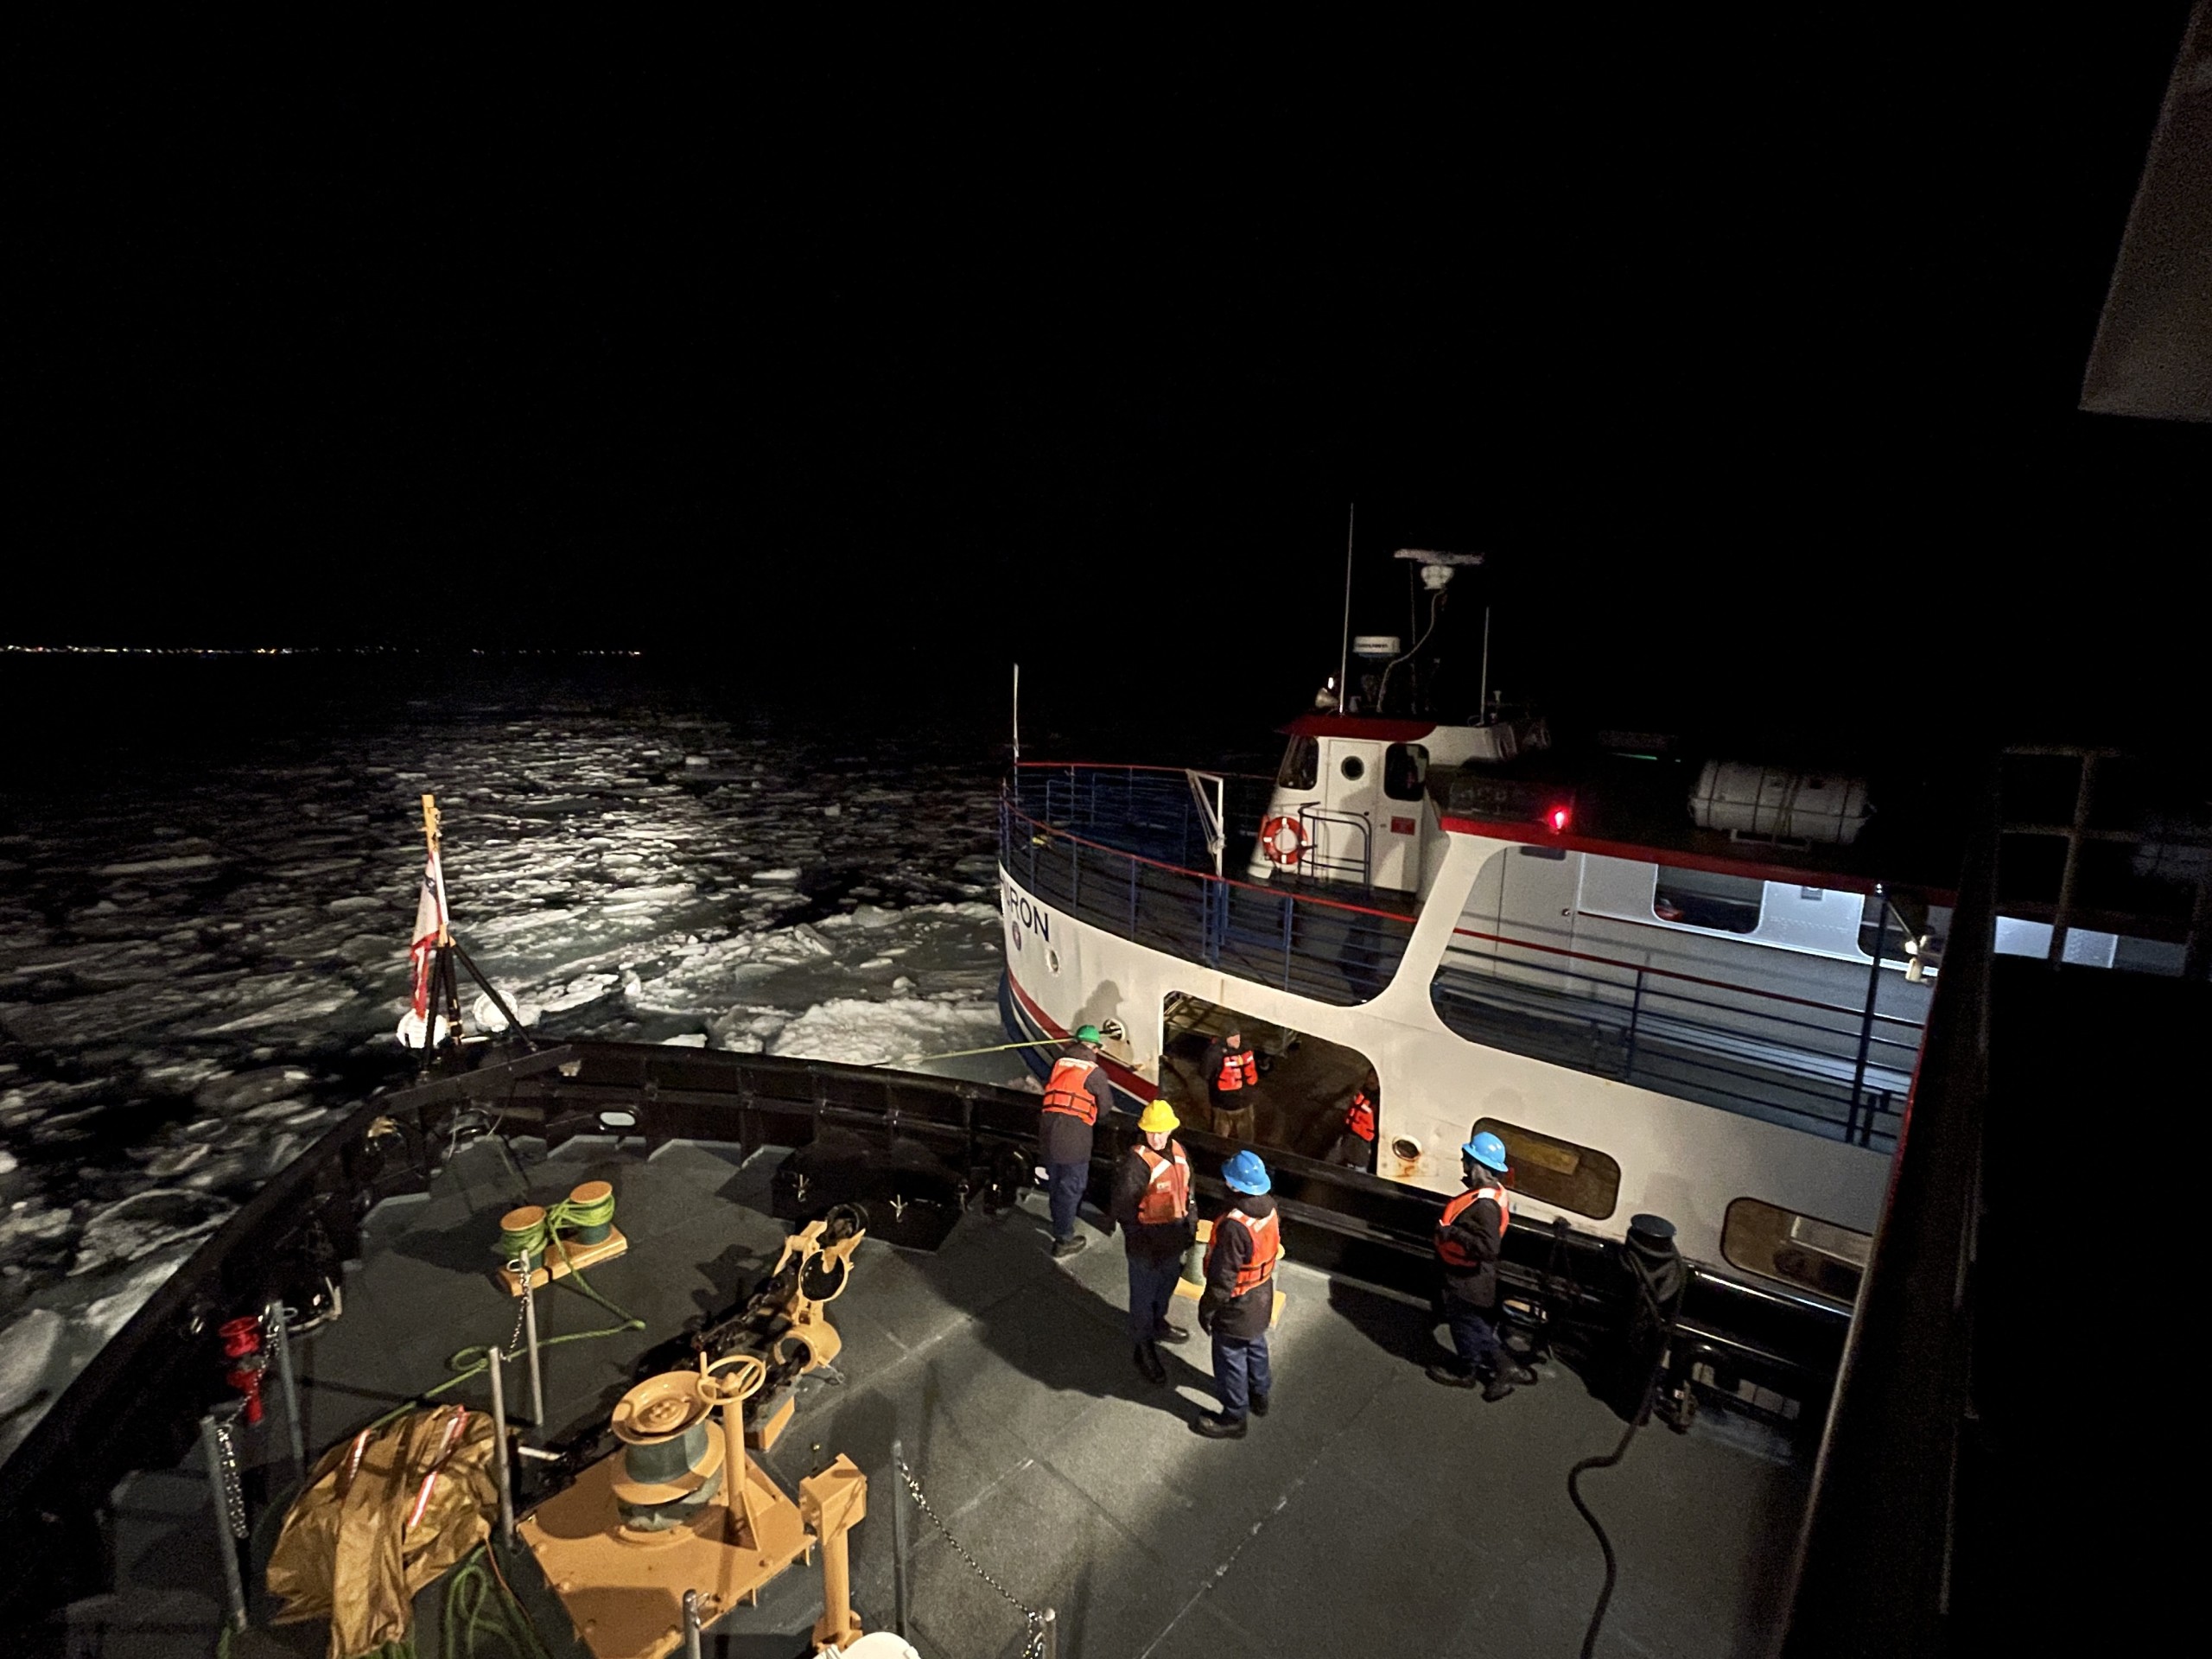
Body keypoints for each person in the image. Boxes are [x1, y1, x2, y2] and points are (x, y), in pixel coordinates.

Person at [1427, 1130, 1538, 1400]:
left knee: (1467, 1328)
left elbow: (1488, 1249)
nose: (1463, 1163)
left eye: (1466, 1159)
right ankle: (1503, 1367)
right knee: (1474, 1326)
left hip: (1468, 1280)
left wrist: (1452, 1233)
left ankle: (1469, 1373)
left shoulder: (1485, 1207)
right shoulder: (1493, 1193)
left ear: (1477, 1165)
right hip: (1474, 1278)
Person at [1194, 1150, 1279, 1439]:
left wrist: (1207, 1308)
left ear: (1235, 1185)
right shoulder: (1270, 1209)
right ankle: (1259, 1395)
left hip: (1237, 1304)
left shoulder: (1235, 1226)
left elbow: (1223, 1278)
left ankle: (1234, 1416)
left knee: (1230, 1358)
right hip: (1262, 1294)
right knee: (1255, 1345)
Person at [1112, 1099, 1198, 1384]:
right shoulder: (1137, 1163)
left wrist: (1190, 1228)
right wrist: (1139, 1242)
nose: (1156, 1138)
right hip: (1146, 1248)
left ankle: (1158, 1323)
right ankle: (1143, 1346)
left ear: (1171, 1130)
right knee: (1143, 1298)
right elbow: (1124, 1208)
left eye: (1161, 1132)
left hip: (1173, 1241)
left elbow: (1189, 1194)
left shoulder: (1180, 1153)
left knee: (1165, 1288)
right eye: (1151, 1132)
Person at [1039, 1024, 1109, 1259]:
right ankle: (1064, 1239)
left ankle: (1059, 1222)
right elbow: (1106, 1107)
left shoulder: (1059, 1063)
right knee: (1071, 1187)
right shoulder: (1095, 1073)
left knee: (1055, 1182)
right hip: (1074, 1138)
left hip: (1048, 1132)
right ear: (1094, 1048)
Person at [1201, 1027, 1260, 1141]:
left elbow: (1205, 1073)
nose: (1236, 1040)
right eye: (1232, 1037)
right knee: (1220, 1137)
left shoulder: (1245, 1048)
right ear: (1225, 1038)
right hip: (1224, 1105)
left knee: (1246, 1137)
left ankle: (1245, 1151)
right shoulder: (1215, 1053)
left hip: (1244, 1103)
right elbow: (1205, 1073)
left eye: (1237, 1037)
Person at [1331, 1073, 1378, 1171]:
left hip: (1364, 1138)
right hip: (1350, 1132)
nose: (1371, 1079)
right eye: (1370, 1076)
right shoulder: (1360, 1092)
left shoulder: (1379, 1099)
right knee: (1343, 1156)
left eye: (1375, 1078)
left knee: (1360, 1164)